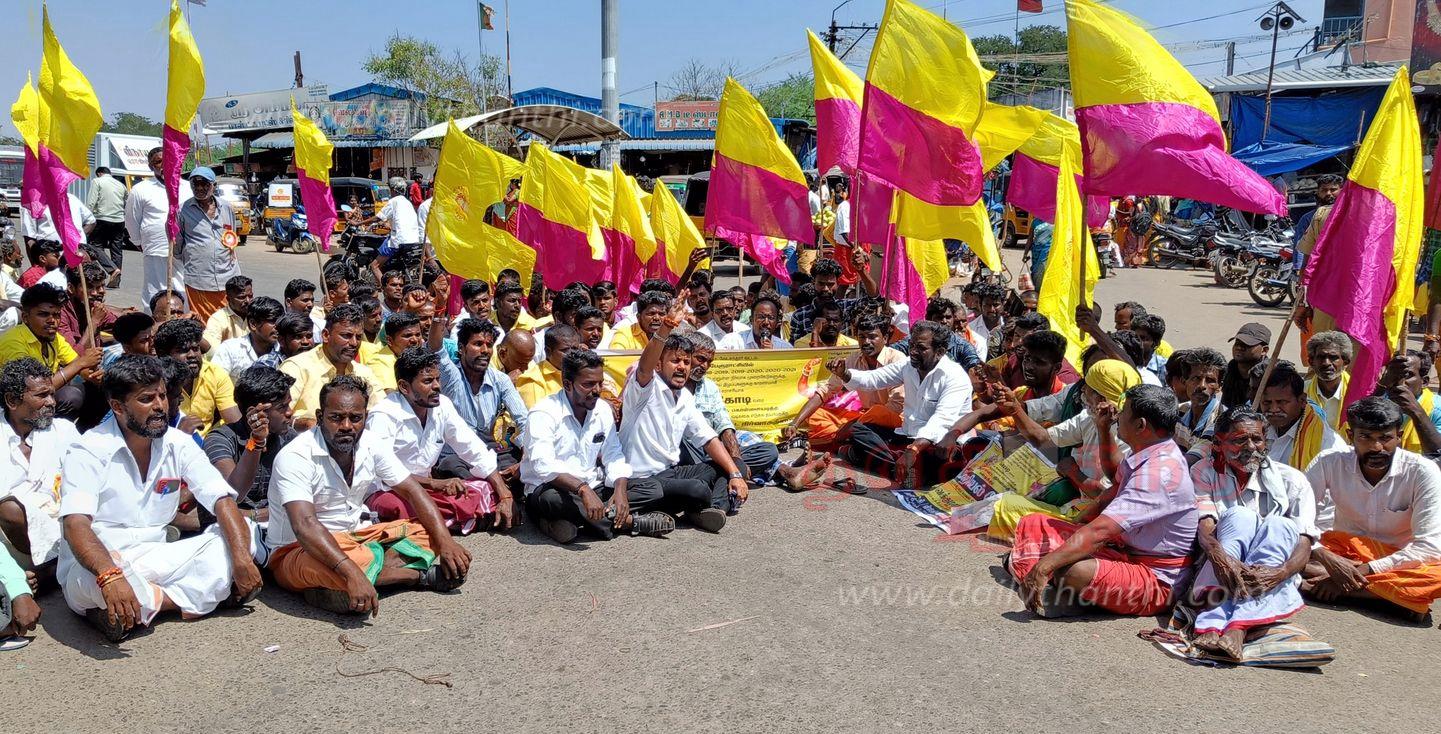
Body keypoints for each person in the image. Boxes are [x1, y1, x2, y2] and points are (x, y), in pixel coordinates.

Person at [56, 355, 262, 641]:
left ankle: (146, 606)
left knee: (245, 534)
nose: (160, 406)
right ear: (117, 406)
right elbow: (75, 525)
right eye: (146, 399)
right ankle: (196, 594)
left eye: (162, 396)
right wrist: (110, 576)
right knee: (95, 579)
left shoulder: (177, 443)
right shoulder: (88, 449)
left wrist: (241, 558)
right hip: (101, 565)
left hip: (158, 556)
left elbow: (221, 499)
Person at [265, 376, 472, 615]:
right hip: (299, 551)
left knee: (430, 531)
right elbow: (305, 526)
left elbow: (413, 491)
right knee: (342, 561)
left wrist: (447, 543)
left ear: (365, 417)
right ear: (320, 417)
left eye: (355, 418)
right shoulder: (296, 456)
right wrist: (351, 570)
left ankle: (357, 580)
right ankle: (414, 576)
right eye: (336, 418)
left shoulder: (371, 443)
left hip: (360, 538)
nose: (346, 426)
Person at [1009, 385, 1198, 618]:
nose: (1118, 415)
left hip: (1155, 578)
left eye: (1124, 411)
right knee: (1034, 523)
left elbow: (1100, 531)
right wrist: (1103, 427)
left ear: (1140, 425)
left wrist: (1043, 567)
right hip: (1124, 551)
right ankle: (1069, 592)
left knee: (1070, 570)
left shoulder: (1159, 474)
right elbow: (1115, 472)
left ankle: (1069, 592)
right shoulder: (1154, 450)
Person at [1184, 407, 1317, 660]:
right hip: (1220, 569)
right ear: (1218, 443)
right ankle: (1220, 615)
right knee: (1239, 516)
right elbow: (1206, 530)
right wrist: (1225, 561)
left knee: (1281, 525)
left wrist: (1281, 572)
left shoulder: (1293, 480)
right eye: (1238, 440)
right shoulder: (1203, 471)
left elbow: (1305, 540)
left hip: (1270, 574)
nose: (1251, 447)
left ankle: (1237, 627)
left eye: (1257, 439)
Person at [618, 294, 748, 532]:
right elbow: (645, 365)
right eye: (675, 361)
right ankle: (689, 506)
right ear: (659, 364)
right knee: (697, 489)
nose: (682, 367)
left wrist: (735, 474)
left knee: (732, 463)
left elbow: (708, 438)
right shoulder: (646, 388)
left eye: (686, 362)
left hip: (671, 472)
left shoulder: (685, 397)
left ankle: (712, 510)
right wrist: (667, 325)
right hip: (642, 480)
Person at [1304, 397, 1441, 621]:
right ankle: (1388, 596)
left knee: (1436, 573)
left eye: (1385, 438)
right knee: (1289, 549)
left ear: (1399, 436)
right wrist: (1329, 559)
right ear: (1351, 437)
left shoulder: (1423, 472)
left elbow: (1428, 547)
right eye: (1365, 437)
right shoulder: (1329, 462)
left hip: (1400, 560)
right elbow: (1297, 518)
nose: (1377, 448)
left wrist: (1356, 573)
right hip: (1342, 551)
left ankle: (1341, 589)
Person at [521, 349, 674, 543]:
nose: (596, 390)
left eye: (600, 383)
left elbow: (613, 453)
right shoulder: (543, 413)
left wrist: (620, 489)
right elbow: (544, 466)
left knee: (652, 488)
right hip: (553, 488)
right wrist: (583, 490)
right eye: (588, 384)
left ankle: (578, 522)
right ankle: (628, 522)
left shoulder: (601, 409)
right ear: (567, 384)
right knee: (551, 500)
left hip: (593, 485)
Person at [980, 359, 1140, 541]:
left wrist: (1073, 472)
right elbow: (1042, 438)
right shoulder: (1089, 417)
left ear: (1101, 399)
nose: (1082, 392)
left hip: (1100, 518)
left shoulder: (1127, 438)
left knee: (1006, 508)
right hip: (1079, 502)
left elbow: (1106, 496)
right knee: (1009, 504)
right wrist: (1015, 409)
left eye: (1087, 388)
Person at [364, 348, 515, 535]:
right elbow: (385, 473)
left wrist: (505, 494)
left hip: (427, 490)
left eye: (438, 379)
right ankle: (450, 523)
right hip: (390, 490)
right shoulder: (384, 415)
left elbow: (473, 448)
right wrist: (435, 484)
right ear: (404, 387)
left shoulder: (442, 405)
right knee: (397, 509)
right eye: (428, 381)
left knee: (486, 488)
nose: (437, 386)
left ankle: (437, 524)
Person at [829, 320, 972, 487]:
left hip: (936, 444)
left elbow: (941, 422)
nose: (913, 352)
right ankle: (904, 468)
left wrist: (913, 451)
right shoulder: (908, 366)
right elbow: (874, 378)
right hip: (908, 437)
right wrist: (845, 374)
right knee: (857, 430)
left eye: (921, 348)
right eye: (911, 346)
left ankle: (888, 463)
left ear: (939, 352)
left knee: (939, 456)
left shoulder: (955, 377)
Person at [0, 358, 82, 573]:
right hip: (12, 537)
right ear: (12, 401)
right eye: (41, 395)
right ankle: (50, 569)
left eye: (52, 394)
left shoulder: (63, 431)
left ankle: (53, 569)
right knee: (9, 509)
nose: (52, 402)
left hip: (66, 522)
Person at [784, 314, 906, 453]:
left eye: (872, 337)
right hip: (865, 419)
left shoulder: (897, 359)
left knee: (874, 414)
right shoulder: (853, 360)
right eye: (861, 337)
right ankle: (843, 439)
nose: (866, 342)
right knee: (818, 415)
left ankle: (839, 441)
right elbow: (826, 390)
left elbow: (895, 407)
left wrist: (855, 424)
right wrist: (795, 423)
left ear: (885, 338)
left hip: (895, 421)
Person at [683, 332, 780, 493]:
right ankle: (720, 478)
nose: (705, 366)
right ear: (687, 355)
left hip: (712, 455)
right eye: (700, 359)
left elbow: (724, 425)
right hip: (686, 454)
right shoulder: (673, 384)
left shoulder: (710, 386)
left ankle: (717, 475)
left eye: (709, 362)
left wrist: (736, 461)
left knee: (769, 451)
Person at [434, 317, 528, 483]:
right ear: (461, 348)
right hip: (457, 455)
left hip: (491, 451)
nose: (485, 350)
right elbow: (436, 350)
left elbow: (524, 421)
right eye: (478, 344)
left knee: (524, 469)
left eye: (489, 345)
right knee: (453, 467)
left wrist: (524, 461)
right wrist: (437, 320)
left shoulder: (500, 380)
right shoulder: (450, 376)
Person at [203, 366, 296, 524]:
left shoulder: (289, 439)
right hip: (231, 528)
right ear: (255, 412)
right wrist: (256, 442)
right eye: (282, 407)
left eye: (288, 404)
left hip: (278, 524)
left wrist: (253, 515)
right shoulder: (219, 440)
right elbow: (235, 494)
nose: (290, 412)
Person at [278, 304, 382, 429]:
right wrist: (306, 425)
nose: (354, 343)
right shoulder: (296, 368)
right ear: (326, 335)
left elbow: (381, 412)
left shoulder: (363, 373)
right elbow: (277, 417)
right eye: (346, 336)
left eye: (358, 337)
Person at [0, 285, 100, 415]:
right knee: (71, 396)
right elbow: (34, 390)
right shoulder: (13, 342)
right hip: (16, 404)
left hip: (42, 395)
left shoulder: (53, 337)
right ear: (25, 318)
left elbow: (77, 364)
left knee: (102, 389)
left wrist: (94, 376)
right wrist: (82, 363)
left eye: (56, 315)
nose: (52, 320)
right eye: (43, 314)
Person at [151, 318, 241, 436]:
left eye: (195, 349)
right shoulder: (154, 383)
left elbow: (235, 424)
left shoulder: (214, 373)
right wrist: (182, 435)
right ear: (164, 355)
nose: (192, 355)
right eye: (183, 350)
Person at [174, 167, 240, 324]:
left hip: (227, 275)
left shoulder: (226, 207)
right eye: (195, 184)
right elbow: (177, 244)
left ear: (214, 186)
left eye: (204, 184)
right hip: (198, 279)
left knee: (229, 321)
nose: (199, 188)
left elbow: (231, 234)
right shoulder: (182, 210)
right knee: (205, 325)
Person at [124, 148, 184, 314]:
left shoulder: (186, 186)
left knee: (182, 291)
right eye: (159, 162)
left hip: (184, 252)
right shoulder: (140, 190)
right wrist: (139, 243)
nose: (164, 165)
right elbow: (131, 220)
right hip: (155, 250)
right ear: (151, 166)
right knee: (156, 292)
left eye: (168, 160)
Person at [1259, 365, 1344, 471]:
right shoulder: (1257, 432)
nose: (1274, 409)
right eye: (1267, 402)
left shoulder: (1327, 442)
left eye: (1282, 402)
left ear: (1302, 401)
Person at [787, 258, 877, 340]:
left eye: (830, 284)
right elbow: (796, 347)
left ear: (837, 283)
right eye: (821, 284)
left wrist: (861, 271)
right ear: (813, 282)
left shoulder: (846, 307)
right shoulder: (800, 315)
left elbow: (874, 300)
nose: (825, 289)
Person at [1371, 351, 1441, 456]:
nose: (1399, 380)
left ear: (1424, 382)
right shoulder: (1379, 399)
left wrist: (1416, 411)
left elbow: (1438, 453)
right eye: (1394, 373)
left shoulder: (1437, 408)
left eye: (1407, 375)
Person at [891, 296, 984, 369]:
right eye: (939, 317)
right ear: (929, 319)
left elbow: (974, 365)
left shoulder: (962, 346)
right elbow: (889, 353)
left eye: (948, 317)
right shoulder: (914, 341)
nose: (944, 321)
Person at [361, 178, 422, 285]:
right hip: (413, 239)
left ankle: (385, 290)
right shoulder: (407, 203)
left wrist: (359, 223)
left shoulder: (394, 201)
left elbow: (378, 218)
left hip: (399, 240)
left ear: (393, 189)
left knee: (374, 266)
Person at [210, 296, 284, 379]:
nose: (278, 326)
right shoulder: (230, 350)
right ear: (253, 324)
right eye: (272, 321)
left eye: (280, 321)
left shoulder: (285, 350)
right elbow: (216, 383)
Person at [1175, 347, 1227, 456]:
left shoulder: (1222, 419)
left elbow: (1196, 459)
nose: (1202, 386)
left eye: (1210, 381)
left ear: (1219, 387)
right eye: (1196, 378)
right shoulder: (1178, 412)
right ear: (1184, 381)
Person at [58, 263, 117, 355]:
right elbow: (75, 355)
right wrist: (94, 321)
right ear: (71, 288)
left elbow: (115, 322)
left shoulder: (92, 305)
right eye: (90, 287)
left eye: (102, 286)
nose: (101, 291)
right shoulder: (60, 313)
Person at [515, 324, 580, 408]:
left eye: (575, 349)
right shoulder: (533, 379)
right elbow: (538, 417)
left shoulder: (582, 373)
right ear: (548, 352)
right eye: (565, 350)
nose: (572, 354)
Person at [86, 166, 128, 286]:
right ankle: (116, 280)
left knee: (95, 246)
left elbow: (91, 202)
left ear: (99, 173)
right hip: (119, 220)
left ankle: (109, 271)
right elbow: (126, 200)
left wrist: (87, 218)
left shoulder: (97, 181)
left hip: (101, 218)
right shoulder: (120, 184)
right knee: (117, 249)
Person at [363, 312, 425, 394]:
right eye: (407, 336)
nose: (415, 340)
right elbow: (390, 396)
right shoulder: (378, 363)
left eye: (417, 335)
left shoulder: (421, 358)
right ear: (389, 340)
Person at [1304, 331, 1352, 433]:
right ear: (1311, 362)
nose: (1326, 363)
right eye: (1321, 357)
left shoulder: (1356, 395)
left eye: (1333, 357)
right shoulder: (1301, 393)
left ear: (1346, 362)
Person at [1221, 322, 1271, 410]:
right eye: (1237, 343)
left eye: (1247, 344)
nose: (1239, 347)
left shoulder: (1270, 376)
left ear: (1264, 350)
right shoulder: (1229, 370)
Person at [201, 275, 254, 354]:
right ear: (228, 299)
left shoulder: (257, 314)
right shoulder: (218, 319)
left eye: (250, 296)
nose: (247, 301)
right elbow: (212, 351)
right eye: (241, 297)